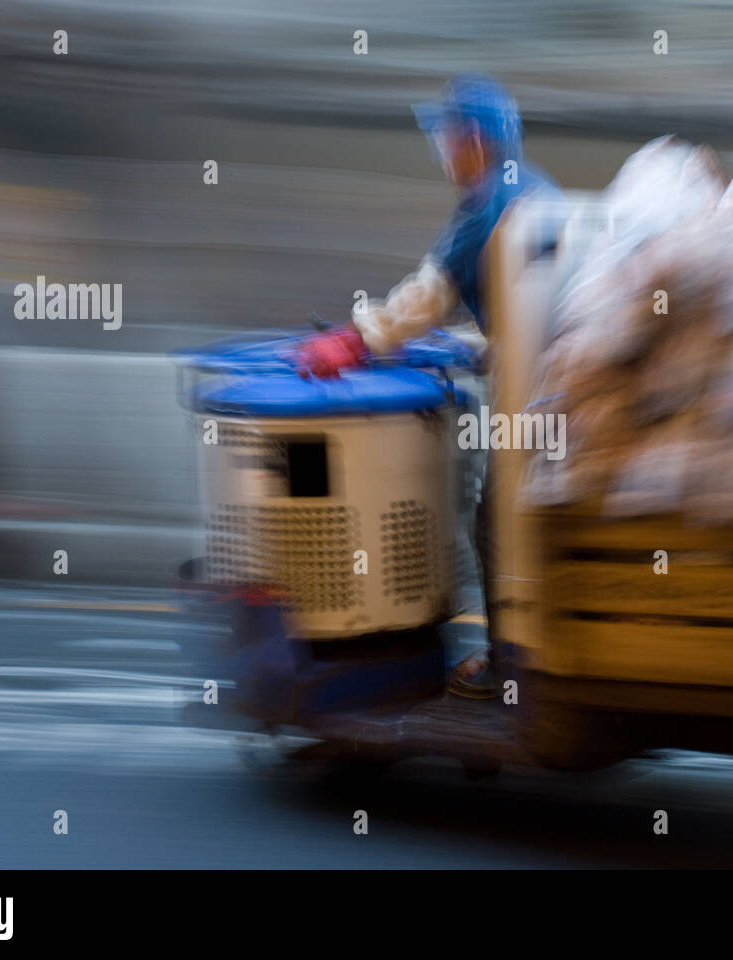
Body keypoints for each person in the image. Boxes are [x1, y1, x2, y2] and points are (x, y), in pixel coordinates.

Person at [293, 75, 563, 698]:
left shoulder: (485, 202)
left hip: (531, 401)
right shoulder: (539, 188)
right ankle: (538, 652)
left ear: (472, 139)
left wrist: (356, 340)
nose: (441, 150)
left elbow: (426, 296)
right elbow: (528, 304)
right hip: (560, 383)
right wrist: (476, 345)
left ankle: (508, 668)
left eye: (444, 135)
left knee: (496, 525)